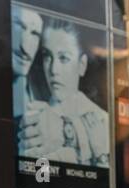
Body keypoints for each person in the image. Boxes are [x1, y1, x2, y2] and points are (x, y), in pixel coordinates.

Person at [18, 17, 110, 167]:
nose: (53, 70)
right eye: (47, 56)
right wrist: (28, 160)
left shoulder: (103, 122)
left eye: (64, 58)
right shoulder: (34, 123)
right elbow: (39, 183)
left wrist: (101, 153)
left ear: (82, 65)